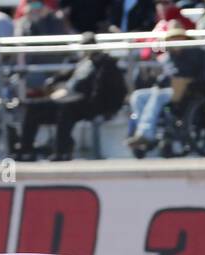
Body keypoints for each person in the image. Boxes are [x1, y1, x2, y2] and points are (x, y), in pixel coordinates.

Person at [14, 32, 127, 161]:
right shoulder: (84, 62)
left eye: (88, 46)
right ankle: (26, 149)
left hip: (91, 104)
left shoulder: (105, 63)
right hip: (71, 99)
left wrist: (70, 94)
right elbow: (68, 77)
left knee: (66, 109)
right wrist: (54, 82)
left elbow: (97, 89)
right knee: (33, 107)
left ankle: (62, 151)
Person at [126, 21, 205, 153]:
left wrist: (188, 82)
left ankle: (146, 134)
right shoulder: (167, 57)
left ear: (184, 38)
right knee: (138, 96)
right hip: (166, 90)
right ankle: (144, 133)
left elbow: (200, 75)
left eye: (177, 37)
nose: (175, 40)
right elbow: (163, 77)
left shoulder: (197, 53)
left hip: (187, 91)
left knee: (157, 95)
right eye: (172, 38)